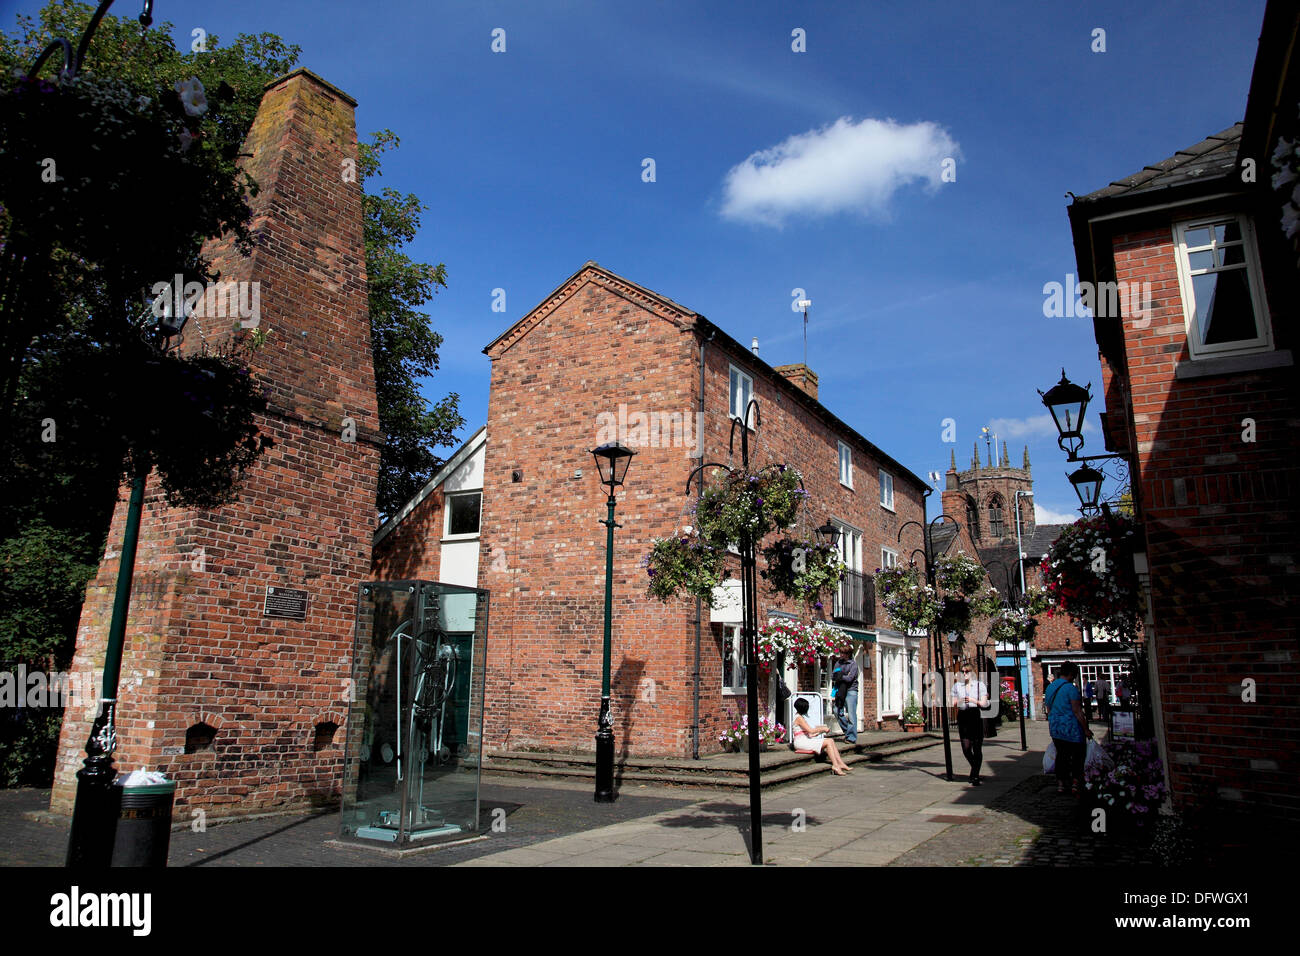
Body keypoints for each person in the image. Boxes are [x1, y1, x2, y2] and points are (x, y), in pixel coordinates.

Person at [1045, 662, 1092, 796]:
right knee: (1078, 755)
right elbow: (1077, 711)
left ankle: (1060, 784)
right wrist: (1086, 729)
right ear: (1071, 674)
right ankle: (1075, 783)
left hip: (1055, 727)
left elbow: (1048, 709)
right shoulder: (1071, 689)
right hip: (1071, 728)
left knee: (1061, 755)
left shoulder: (1050, 688)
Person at [950, 659, 989, 786]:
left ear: (972, 673)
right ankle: (975, 768)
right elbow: (952, 702)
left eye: (966, 672)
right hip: (963, 717)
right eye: (962, 672)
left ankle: (975, 775)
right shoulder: (957, 686)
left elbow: (983, 703)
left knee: (977, 747)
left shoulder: (979, 685)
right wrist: (958, 701)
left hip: (975, 715)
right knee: (966, 748)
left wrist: (973, 700)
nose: (964, 674)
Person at [791, 697, 852, 775]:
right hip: (801, 742)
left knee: (830, 740)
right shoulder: (799, 718)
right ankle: (835, 765)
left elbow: (809, 732)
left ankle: (840, 763)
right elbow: (810, 730)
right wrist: (822, 728)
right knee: (828, 742)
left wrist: (818, 732)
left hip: (805, 739)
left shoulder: (799, 717)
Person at [831, 653, 859, 744]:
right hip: (840, 690)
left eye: (843, 653)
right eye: (841, 653)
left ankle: (851, 738)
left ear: (848, 654)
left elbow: (850, 678)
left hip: (851, 690)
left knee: (851, 714)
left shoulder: (853, 664)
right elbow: (833, 676)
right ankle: (848, 731)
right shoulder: (838, 663)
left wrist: (841, 676)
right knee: (836, 710)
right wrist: (842, 676)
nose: (841, 655)